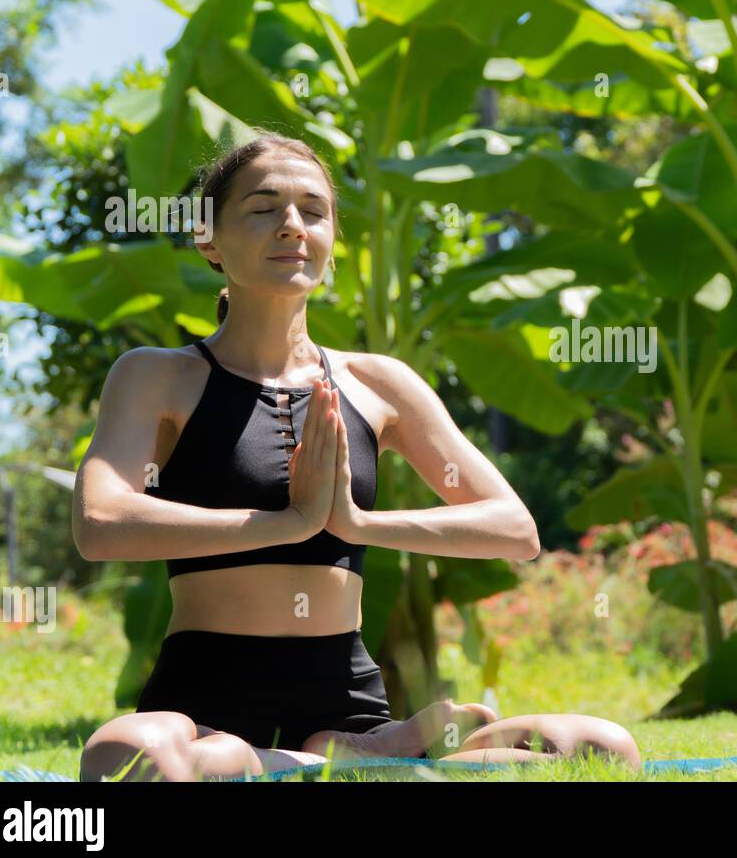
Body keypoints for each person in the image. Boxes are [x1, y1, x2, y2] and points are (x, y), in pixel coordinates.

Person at [74, 132, 642, 781]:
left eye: (313, 211)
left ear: (331, 239)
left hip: (346, 695)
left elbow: (515, 530)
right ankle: (324, 761)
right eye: (263, 208)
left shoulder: (379, 383)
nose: (292, 225)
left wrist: (355, 523)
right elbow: (100, 523)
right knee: (124, 756)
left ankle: (309, 758)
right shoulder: (158, 376)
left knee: (605, 746)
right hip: (206, 694)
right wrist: (285, 524)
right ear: (208, 239)